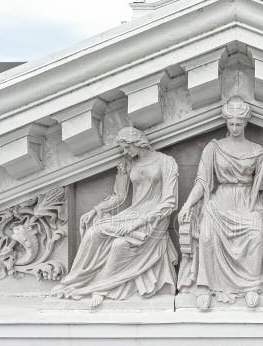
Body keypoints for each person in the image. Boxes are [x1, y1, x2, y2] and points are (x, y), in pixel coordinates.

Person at [51, 127, 179, 307]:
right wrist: (95, 210)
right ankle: (74, 280)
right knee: (93, 232)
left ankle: (102, 287)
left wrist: (137, 223)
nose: (125, 152)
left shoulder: (167, 162)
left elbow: (169, 202)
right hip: (133, 213)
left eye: (127, 147)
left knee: (121, 244)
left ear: (137, 142)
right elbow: (118, 196)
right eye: (123, 149)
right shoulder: (128, 163)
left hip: (154, 218)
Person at [177, 96, 263, 308]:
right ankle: (205, 285)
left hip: (245, 201)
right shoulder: (214, 148)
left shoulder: (257, 150)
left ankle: (251, 284)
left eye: (238, 124)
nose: (234, 128)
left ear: (245, 123)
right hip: (220, 201)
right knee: (206, 234)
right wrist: (187, 205)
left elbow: (260, 185)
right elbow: (202, 181)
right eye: (230, 124)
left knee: (257, 233)